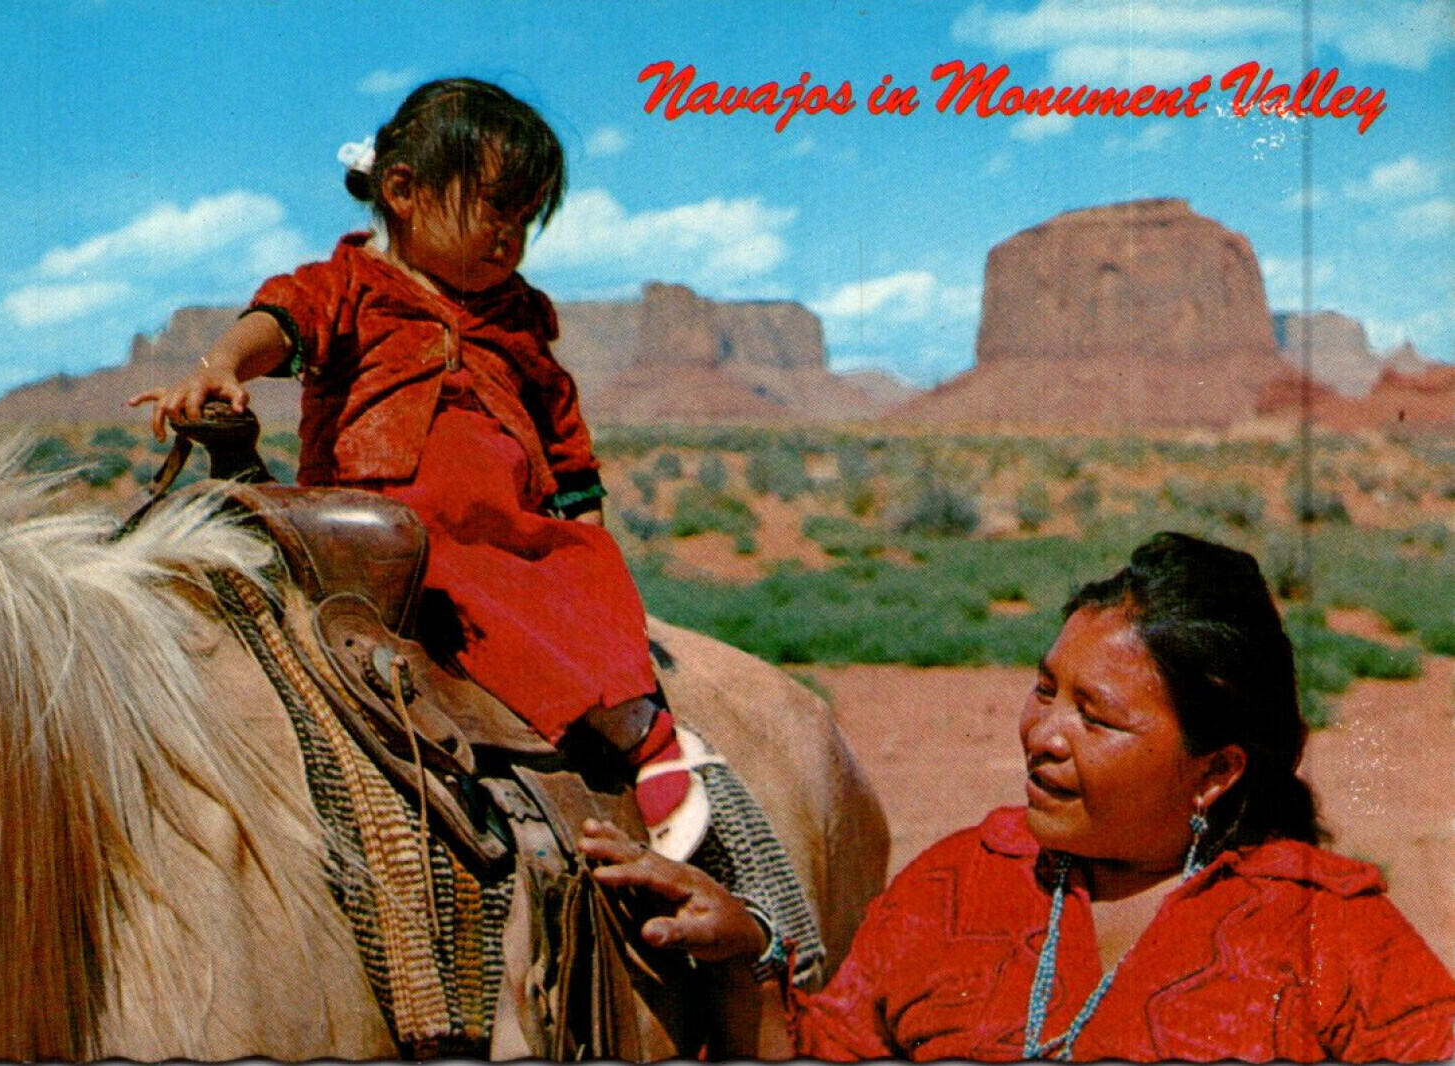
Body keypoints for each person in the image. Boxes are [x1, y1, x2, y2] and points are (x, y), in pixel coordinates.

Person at [582, 532, 1455, 1061]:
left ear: (1214, 772)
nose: (1043, 735)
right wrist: (746, 962)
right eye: (1045, 690)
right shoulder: (957, 885)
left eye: (1097, 718)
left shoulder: (1330, 934)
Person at [130, 78, 707, 857]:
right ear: (402, 190)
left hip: (509, 527)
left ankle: (639, 730)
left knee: (584, 574)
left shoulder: (517, 318)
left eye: (527, 218)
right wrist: (221, 365)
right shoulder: (345, 286)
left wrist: (582, 532)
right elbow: (279, 321)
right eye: (495, 208)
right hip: (386, 531)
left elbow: (562, 435)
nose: (512, 236)